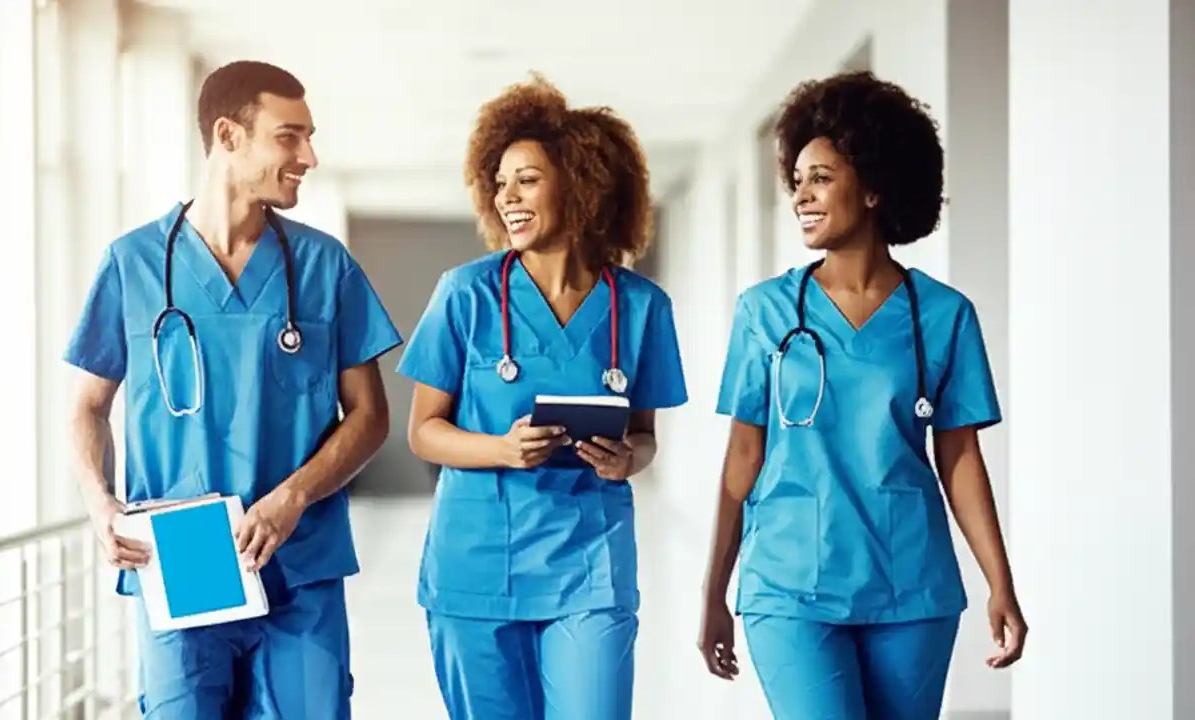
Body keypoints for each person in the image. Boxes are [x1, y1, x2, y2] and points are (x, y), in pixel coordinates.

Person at [65, 60, 401, 718]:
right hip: (184, 554)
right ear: (228, 135)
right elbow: (87, 406)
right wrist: (99, 503)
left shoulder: (324, 265)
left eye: (309, 136)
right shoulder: (131, 265)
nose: (309, 154)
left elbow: (370, 417)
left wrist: (293, 497)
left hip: (298, 558)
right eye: (290, 136)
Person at [697, 70, 1028, 719]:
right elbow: (742, 461)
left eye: (820, 176)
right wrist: (714, 590)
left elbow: (959, 460)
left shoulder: (943, 316)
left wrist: (1000, 582)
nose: (802, 195)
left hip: (911, 590)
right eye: (796, 180)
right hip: (788, 587)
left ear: (875, 186)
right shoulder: (764, 313)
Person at [396, 75, 688, 719]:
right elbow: (423, 432)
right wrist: (502, 448)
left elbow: (645, 437)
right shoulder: (465, 294)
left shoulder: (639, 307)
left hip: (590, 566)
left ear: (581, 184)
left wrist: (626, 459)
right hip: (476, 567)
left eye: (526, 179)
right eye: (499, 183)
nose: (508, 197)